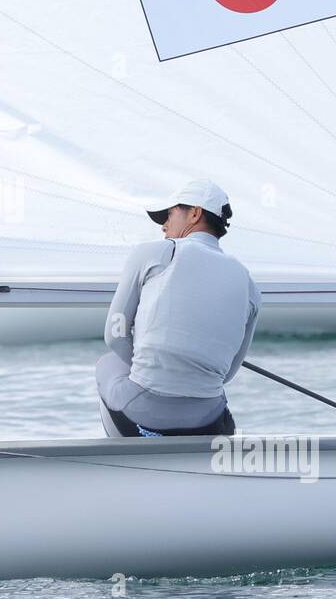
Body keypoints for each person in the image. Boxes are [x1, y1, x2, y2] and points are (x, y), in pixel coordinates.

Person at [96, 179, 260, 438]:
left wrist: (148, 364)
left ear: (195, 213)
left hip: (138, 418)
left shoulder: (152, 253)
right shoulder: (249, 284)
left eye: (170, 214)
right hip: (209, 425)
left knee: (107, 363)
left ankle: (130, 459)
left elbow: (114, 337)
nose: (163, 226)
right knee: (213, 391)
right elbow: (227, 373)